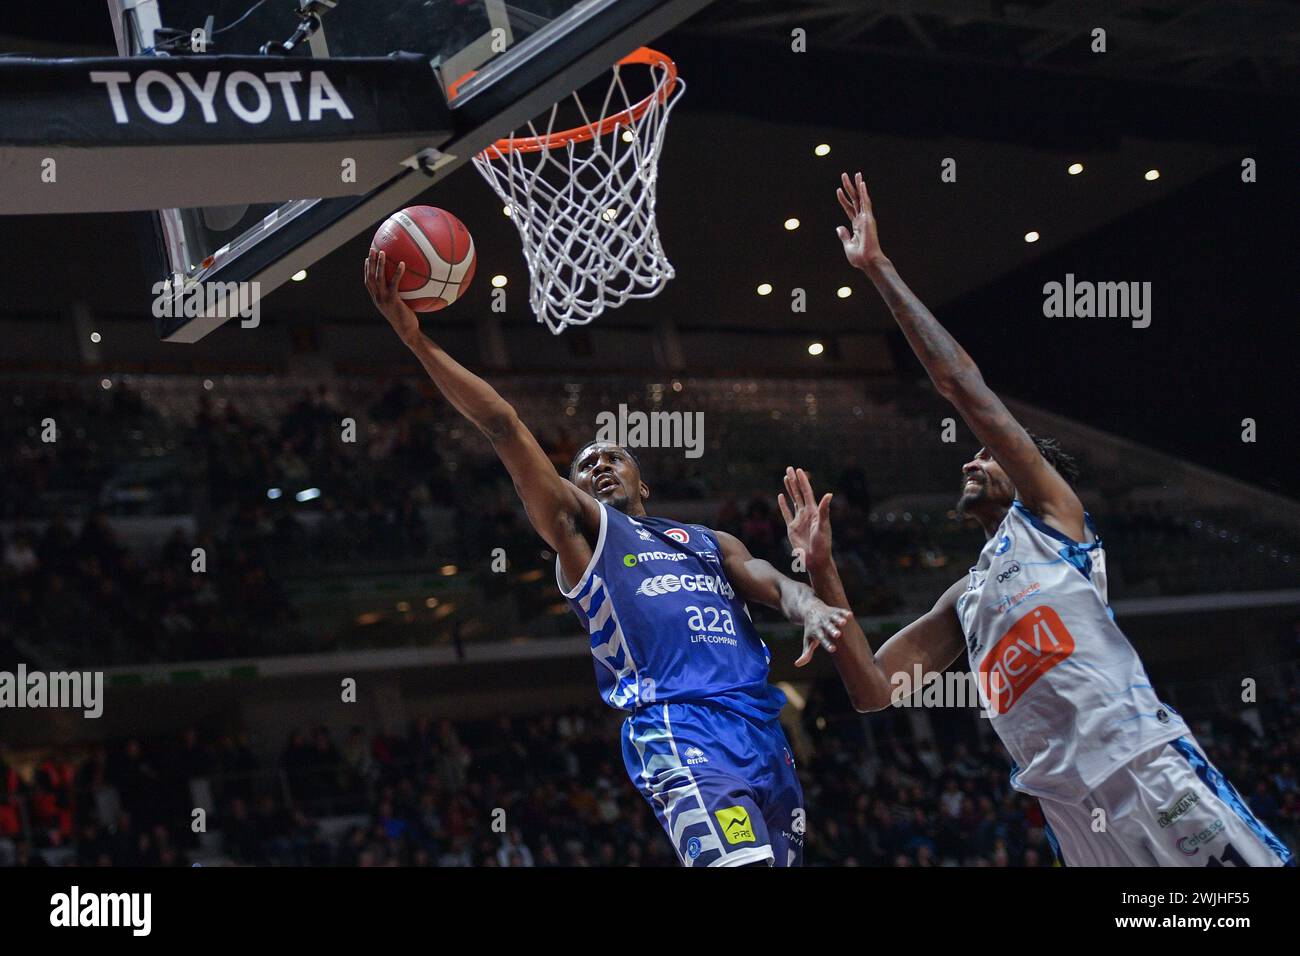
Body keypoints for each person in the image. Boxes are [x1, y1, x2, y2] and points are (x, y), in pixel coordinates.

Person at [777, 172, 1294, 867]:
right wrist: (821, 572)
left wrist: (879, 269)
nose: (970, 461)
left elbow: (962, 384)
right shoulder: (967, 597)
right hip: (1072, 819)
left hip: (1143, 767)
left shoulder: (1053, 523)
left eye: (986, 453)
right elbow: (871, 689)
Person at [364, 249, 850, 867]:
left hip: (760, 731)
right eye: (584, 464)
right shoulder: (583, 538)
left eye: (612, 457)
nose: (598, 465)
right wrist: (417, 341)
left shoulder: (706, 541)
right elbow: (504, 428)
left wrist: (806, 599)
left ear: (640, 481)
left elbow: (769, 579)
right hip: (679, 730)